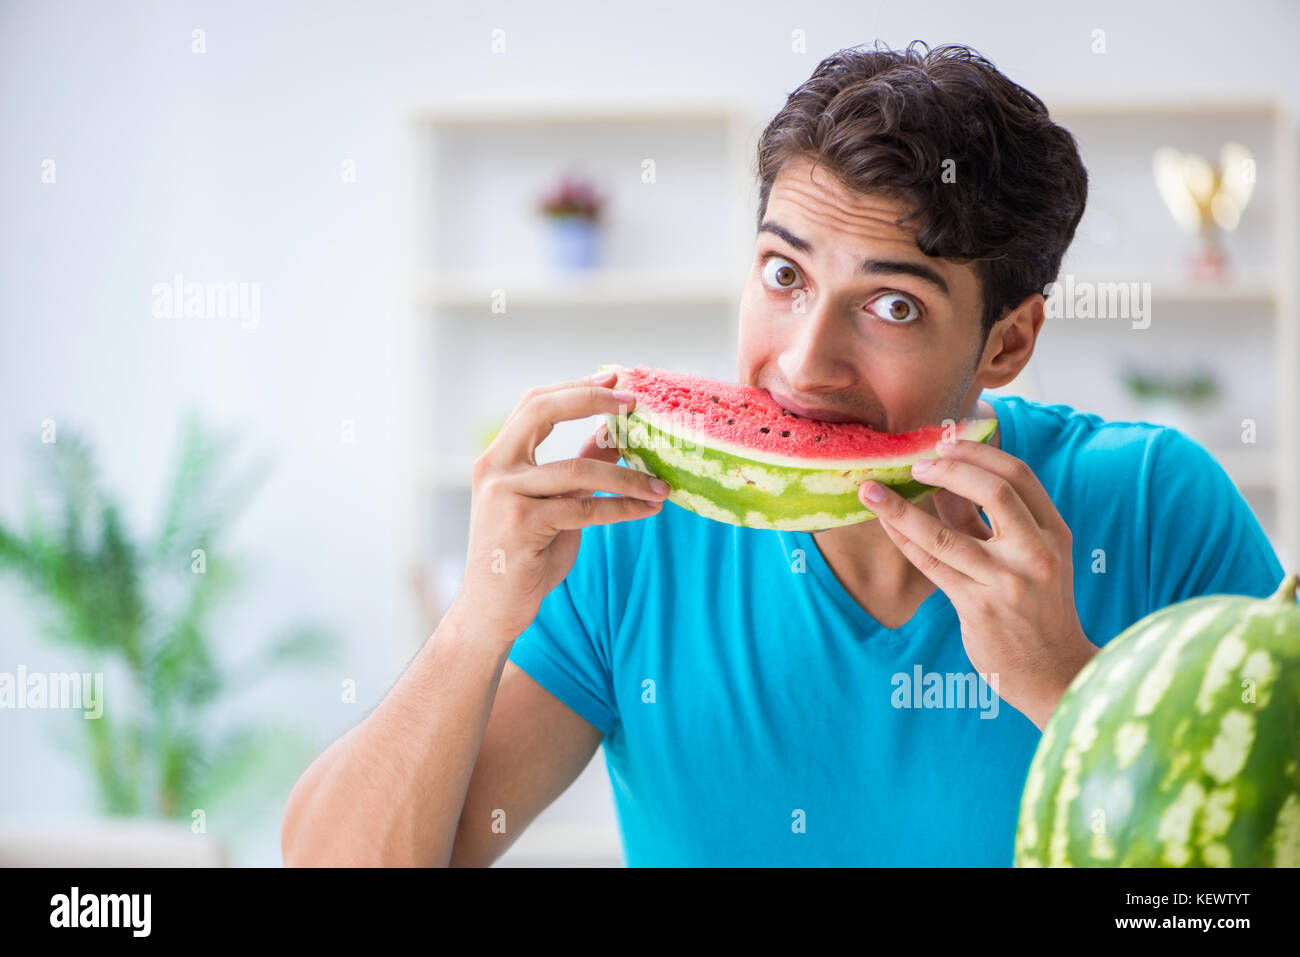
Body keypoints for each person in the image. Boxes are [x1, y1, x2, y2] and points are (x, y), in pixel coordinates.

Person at [281, 41, 1284, 867]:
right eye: (782, 272)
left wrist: (1064, 688)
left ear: (1008, 342)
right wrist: (476, 622)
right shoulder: (633, 531)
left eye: (892, 305)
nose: (805, 364)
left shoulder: (1154, 508)